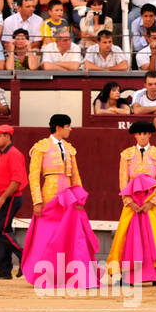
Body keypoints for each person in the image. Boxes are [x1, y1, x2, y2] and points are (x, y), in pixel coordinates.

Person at [22, 113, 99, 290]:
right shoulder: (41, 147)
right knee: (48, 236)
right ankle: (45, 273)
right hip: (50, 197)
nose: (70, 129)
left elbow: (76, 176)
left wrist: (80, 197)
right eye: (68, 126)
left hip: (70, 198)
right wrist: (37, 201)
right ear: (59, 128)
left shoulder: (70, 148)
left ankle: (74, 274)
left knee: (72, 235)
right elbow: (33, 177)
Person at [107, 120, 156, 287]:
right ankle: (126, 275)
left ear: (150, 134)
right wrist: (128, 201)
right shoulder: (125, 155)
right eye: (138, 134)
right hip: (132, 203)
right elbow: (123, 180)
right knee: (127, 237)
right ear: (135, 135)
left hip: (151, 203)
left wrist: (152, 203)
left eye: (144, 133)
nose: (141, 137)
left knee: (154, 238)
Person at [0, 123, 25, 280]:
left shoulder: (13, 154)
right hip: (6, 197)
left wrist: (3, 198)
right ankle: (4, 269)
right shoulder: (3, 154)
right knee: (2, 230)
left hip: (10, 197)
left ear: (7, 137)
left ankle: (24, 256)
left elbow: (16, 180)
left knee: (0, 230)